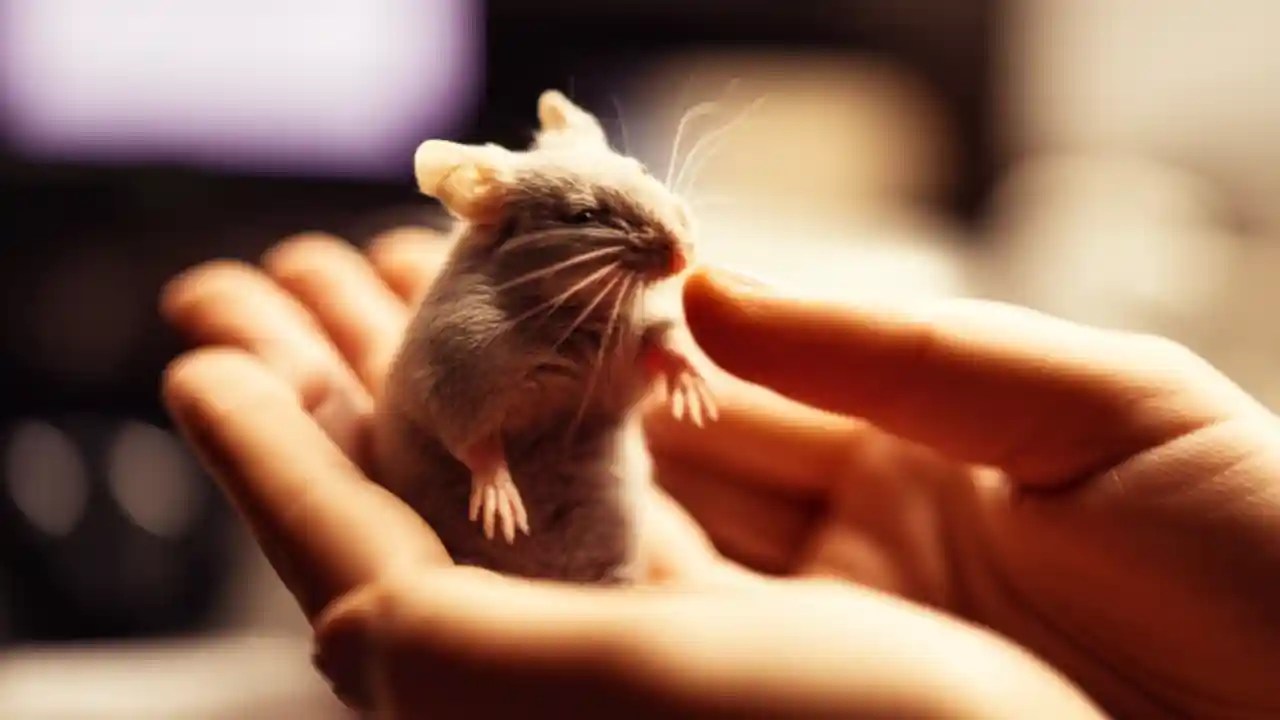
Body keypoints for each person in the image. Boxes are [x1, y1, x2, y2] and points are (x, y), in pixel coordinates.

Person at [160, 228, 1280, 719]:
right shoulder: (473, 312)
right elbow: (456, 394)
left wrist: (666, 357)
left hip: (603, 507)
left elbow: (638, 357)